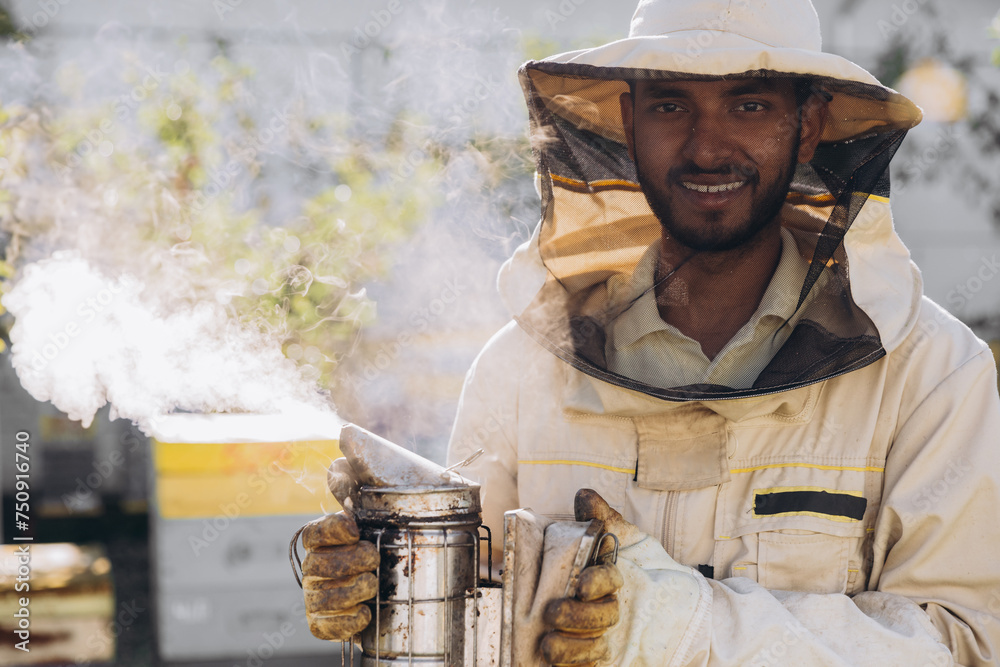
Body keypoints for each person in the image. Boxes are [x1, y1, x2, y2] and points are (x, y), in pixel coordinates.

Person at [301, 0, 1000, 664]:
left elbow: (962, 645)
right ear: (629, 121)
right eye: (671, 104)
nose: (707, 147)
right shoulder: (519, 372)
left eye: (749, 104)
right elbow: (471, 625)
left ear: (809, 124)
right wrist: (393, 591)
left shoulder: (930, 377)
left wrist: (674, 624)